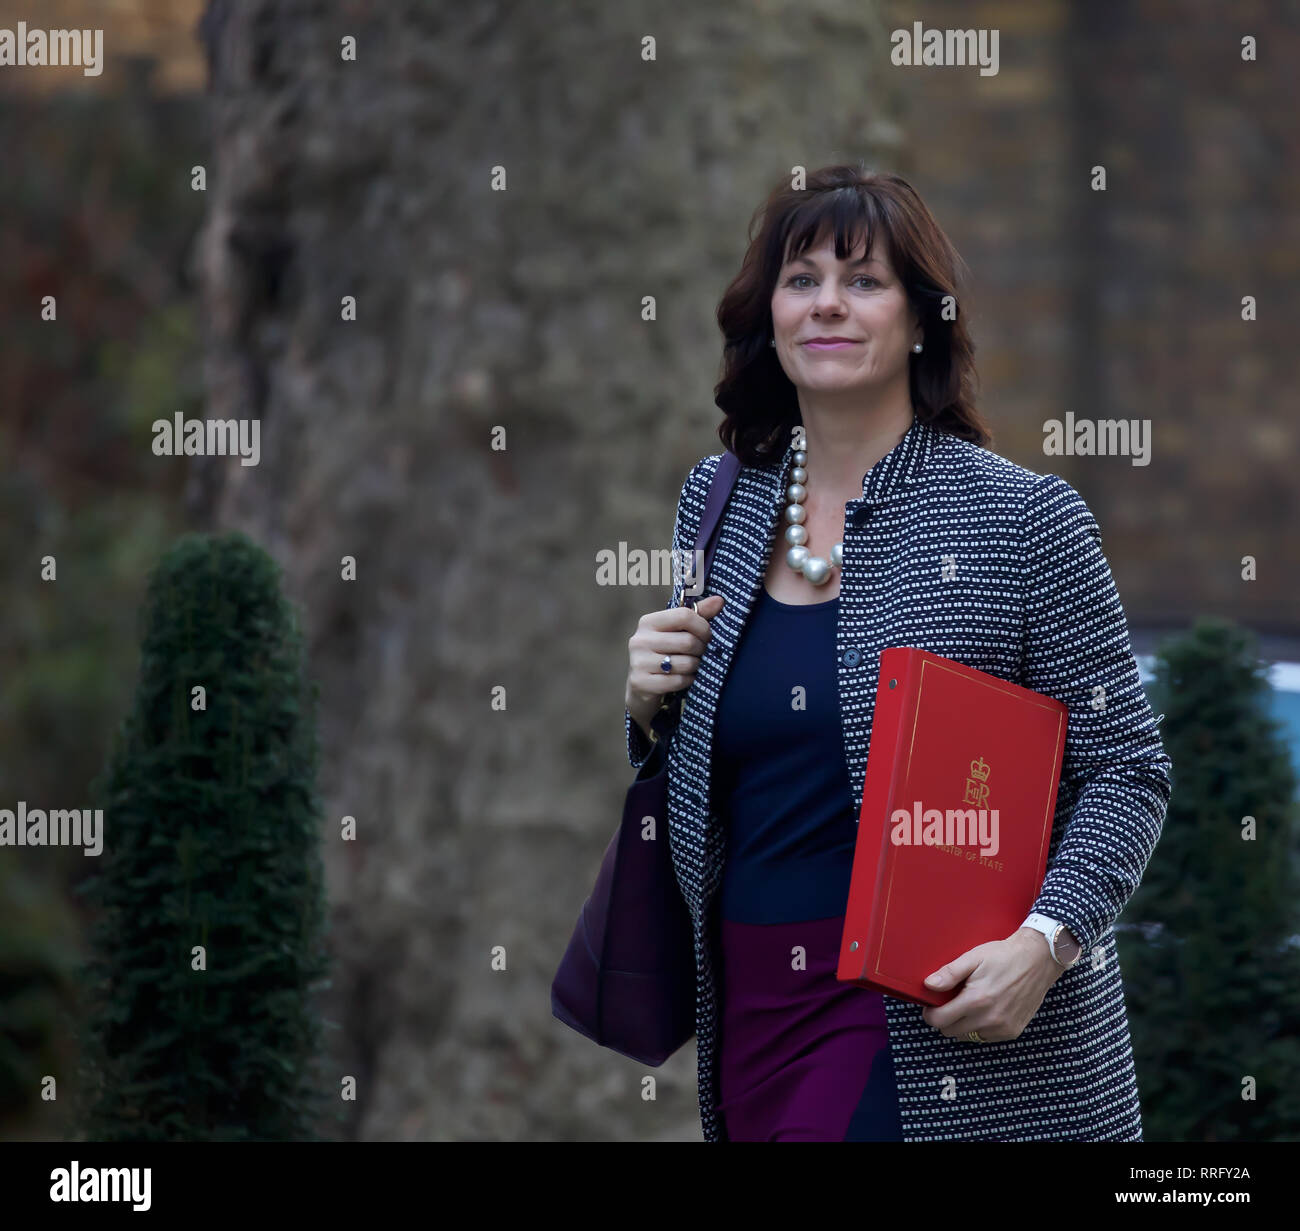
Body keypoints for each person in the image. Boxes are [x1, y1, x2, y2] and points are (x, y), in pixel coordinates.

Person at [622, 165, 1172, 1142]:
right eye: (801, 279)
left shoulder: (1021, 519)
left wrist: (1045, 943)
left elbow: (1127, 768)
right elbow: (724, 768)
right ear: (769, 314)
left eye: (864, 279)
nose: (827, 302)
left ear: (922, 320)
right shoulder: (721, 501)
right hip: (749, 1002)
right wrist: (647, 707)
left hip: (917, 1013)